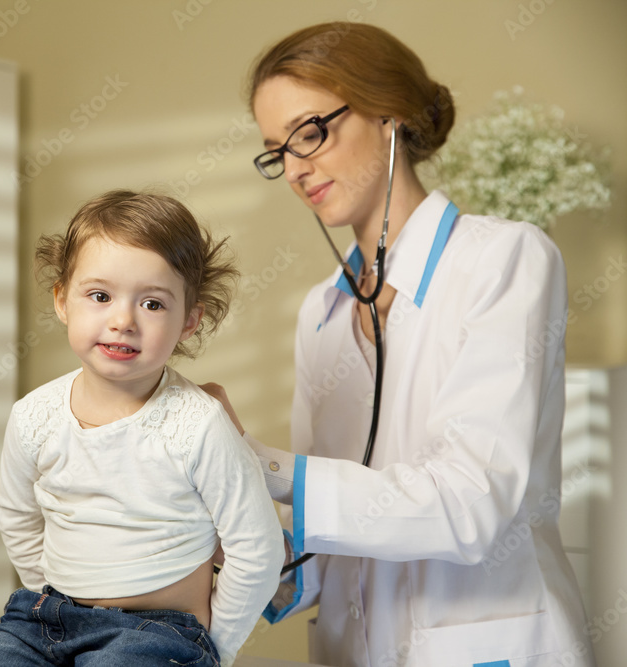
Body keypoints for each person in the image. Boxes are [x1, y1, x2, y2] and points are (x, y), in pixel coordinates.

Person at [204, 22, 596, 667]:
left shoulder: (504, 260)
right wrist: (213, 553)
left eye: (310, 133)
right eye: (278, 151)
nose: (296, 169)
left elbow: (471, 501)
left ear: (387, 111)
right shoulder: (321, 311)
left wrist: (258, 465)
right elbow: (326, 548)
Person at [0, 190, 284, 667]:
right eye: (100, 296)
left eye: (152, 303)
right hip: (46, 617)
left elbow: (258, 550)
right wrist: (49, 589)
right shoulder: (34, 416)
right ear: (63, 301)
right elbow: (18, 516)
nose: (122, 320)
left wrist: (216, 648)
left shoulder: (198, 423)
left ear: (189, 319)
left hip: (160, 630)